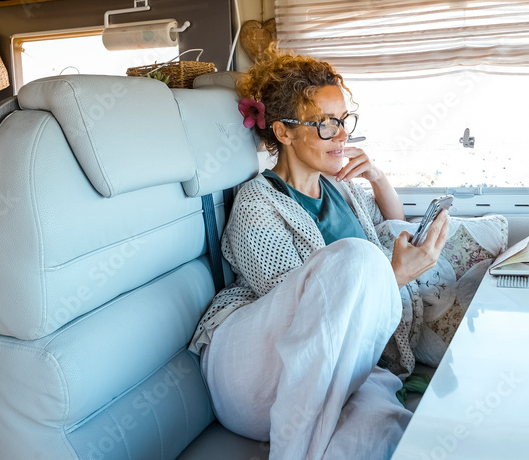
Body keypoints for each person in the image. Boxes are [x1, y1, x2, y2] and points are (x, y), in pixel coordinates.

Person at [189, 46, 450, 460]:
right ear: (283, 132)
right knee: (359, 258)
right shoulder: (258, 203)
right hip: (253, 369)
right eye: (325, 124)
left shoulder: (342, 187)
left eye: (344, 120)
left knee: (388, 437)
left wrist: (378, 179)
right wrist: (393, 276)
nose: (342, 134)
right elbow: (305, 308)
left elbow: (388, 229)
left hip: (333, 371)